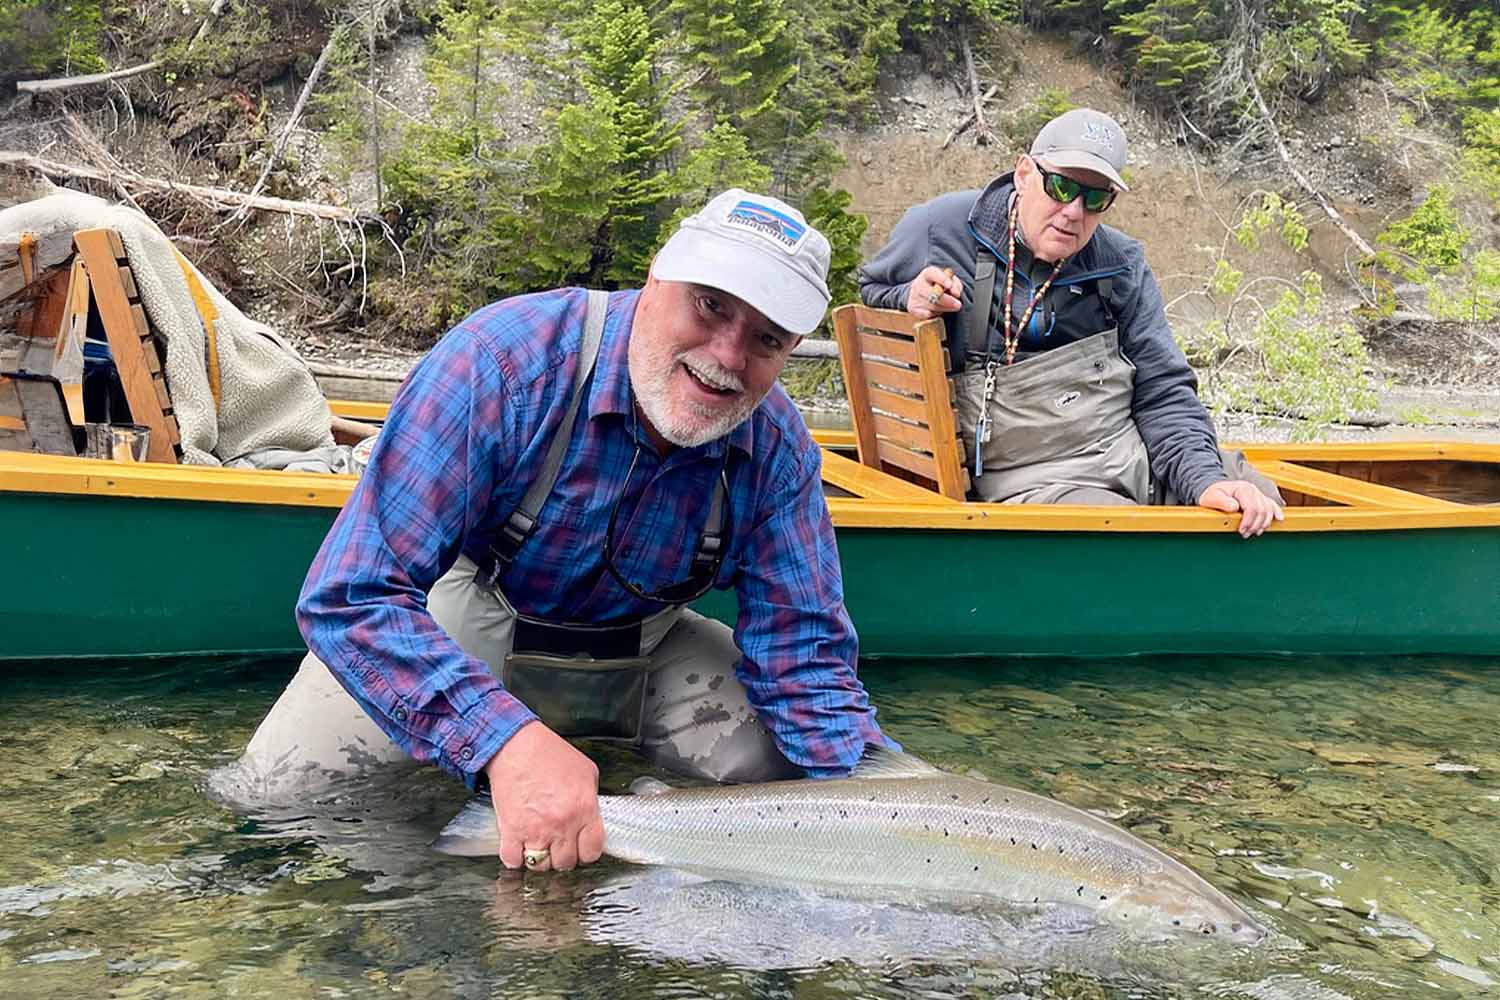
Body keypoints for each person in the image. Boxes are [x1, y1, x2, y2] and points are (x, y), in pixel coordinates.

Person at [226, 188, 892, 874]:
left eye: (767, 338)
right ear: (658, 273)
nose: (727, 354)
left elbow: (803, 664)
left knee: (793, 781)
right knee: (278, 801)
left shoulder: (779, 449)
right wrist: (502, 742)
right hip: (474, 619)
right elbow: (350, 596)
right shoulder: (501, 363)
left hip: (647, 646)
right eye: (711, 305)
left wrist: (900, 794)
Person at [858, 108, 1283, 538]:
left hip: (1127, 453)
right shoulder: (936, 228)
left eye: (1096, 198)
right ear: (1024, 173)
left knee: (1257, 500)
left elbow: (1164, 389)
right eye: (1061, 187)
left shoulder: (1121, 265)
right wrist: (906, 297)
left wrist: (1205, 480)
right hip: (1028, 475)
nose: (1074, 211)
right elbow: (871, 290)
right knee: (1118, 535)